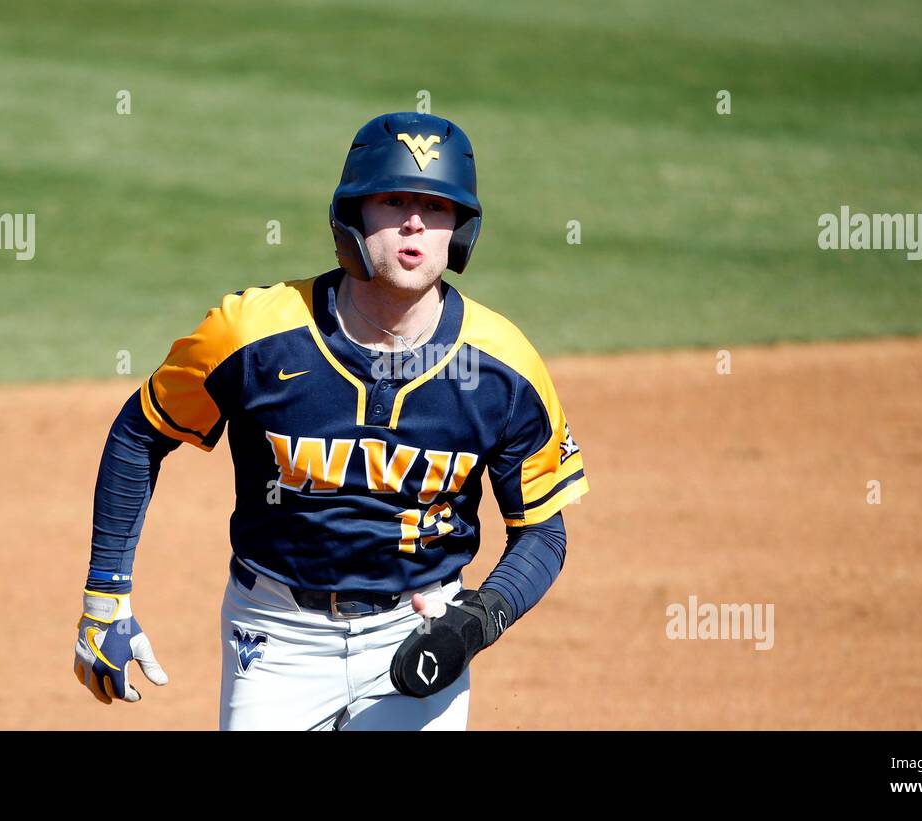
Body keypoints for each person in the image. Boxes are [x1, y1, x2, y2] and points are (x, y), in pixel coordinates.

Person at [73, 112, 588, 730]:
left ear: (461, 231)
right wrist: (105, 598)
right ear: (351, 217)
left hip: (418, 636)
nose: (416, 221)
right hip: (272, 639)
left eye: (438, 206)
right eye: (394, 200)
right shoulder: (254, 336)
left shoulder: (505, 369)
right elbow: (140, 433)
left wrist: (475, 622)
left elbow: (541, 533)